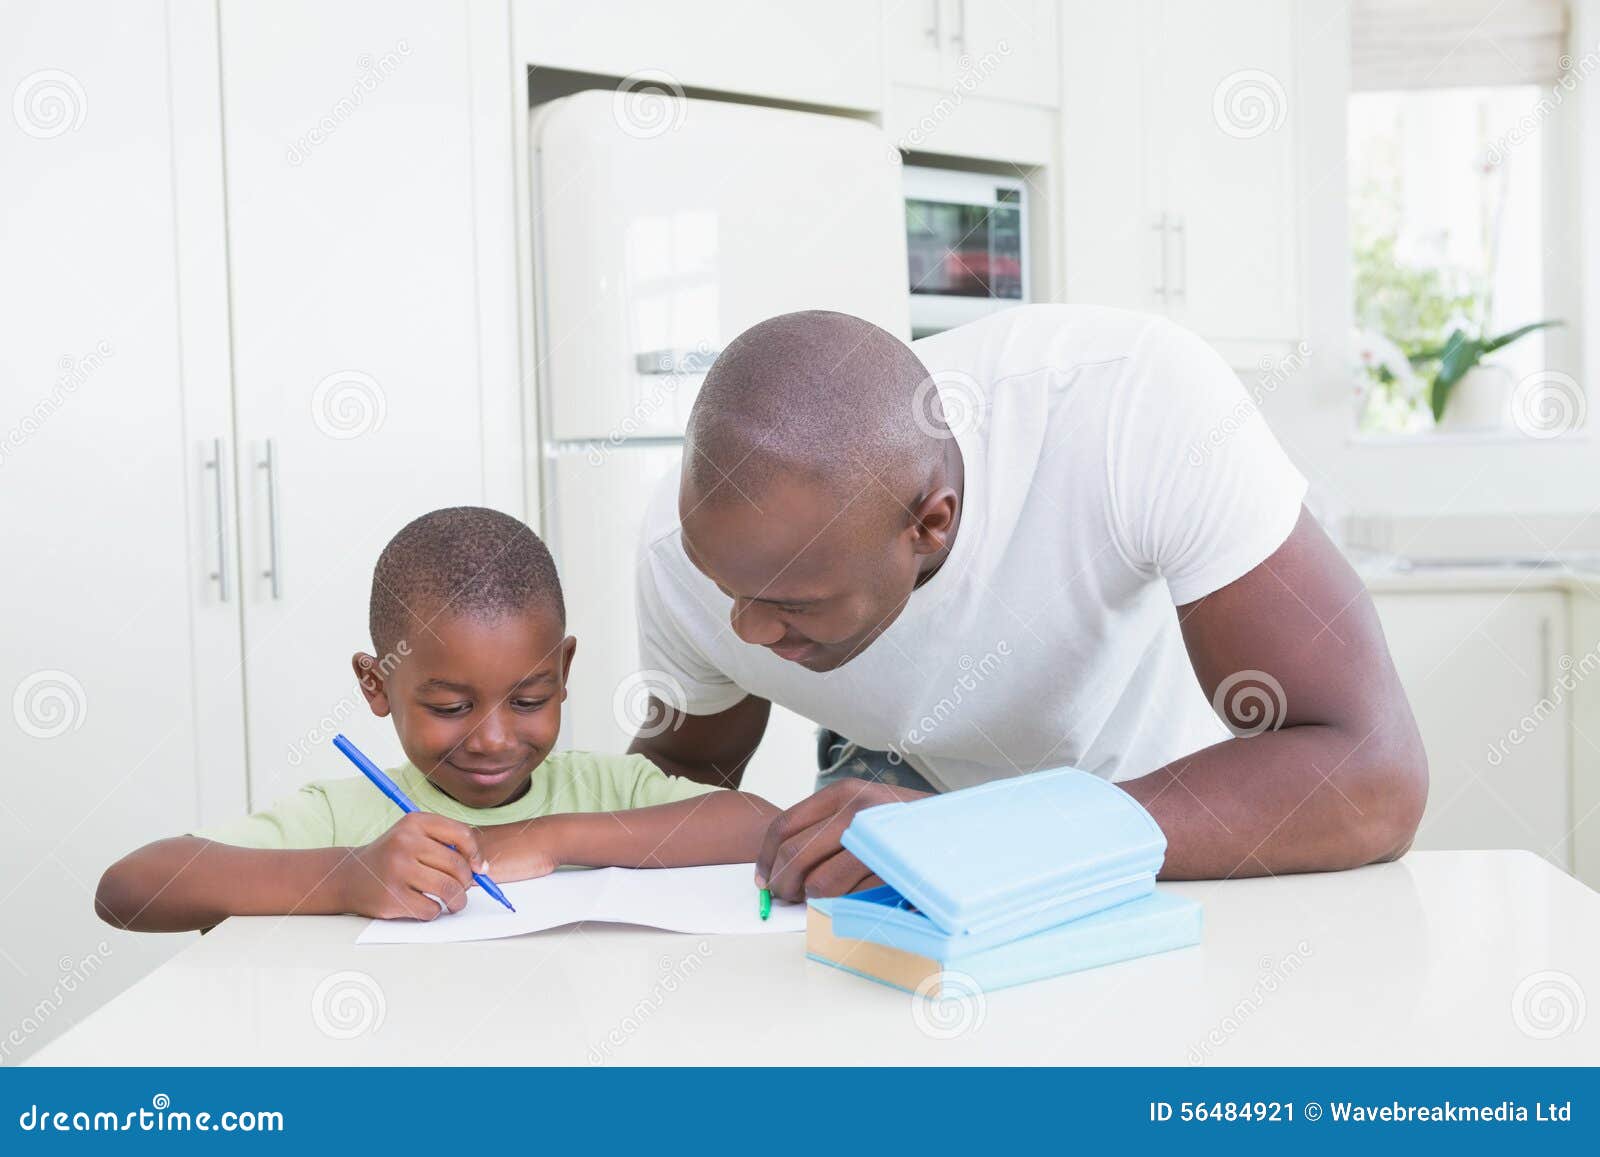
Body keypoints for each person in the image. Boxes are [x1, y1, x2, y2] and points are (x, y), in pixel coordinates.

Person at [628, 306, 1428, 900]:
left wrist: (982, 834)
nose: (747, 628)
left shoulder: (1135, 407)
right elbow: (687, 777)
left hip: (1196, 861)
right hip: (955, 892)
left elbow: (1374, 775)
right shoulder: (679, 554)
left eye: (791, 603)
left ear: (930, 524)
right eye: (729, 590)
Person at [96, 507, 777, 932]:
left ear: (564, 673)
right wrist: (346, 878)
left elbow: (759, 825)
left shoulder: (606, 789)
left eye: (530, 699)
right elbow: (130, 887)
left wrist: (548, 837)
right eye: (451, 706)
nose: (493, 737)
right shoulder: (345, 816)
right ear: (376, 683)